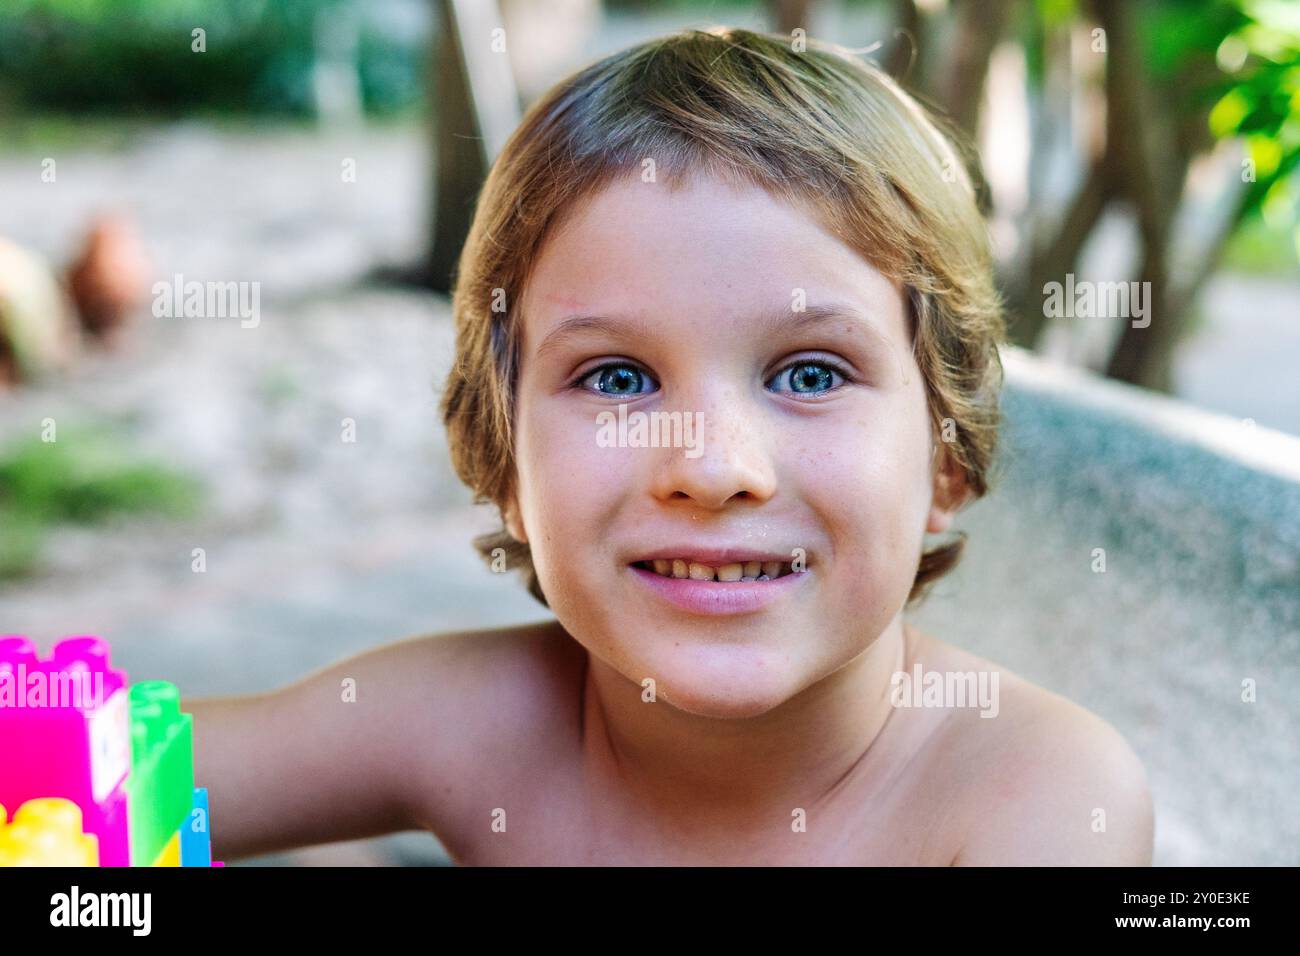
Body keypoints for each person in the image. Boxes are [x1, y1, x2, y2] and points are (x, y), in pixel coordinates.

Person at [190, 27, 1153, 865]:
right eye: (616, 378)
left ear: (946, 459)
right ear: (507, 463)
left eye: (811, 374)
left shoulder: (1037, 795)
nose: (712, 467)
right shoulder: (473, 721)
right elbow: (94, 772)